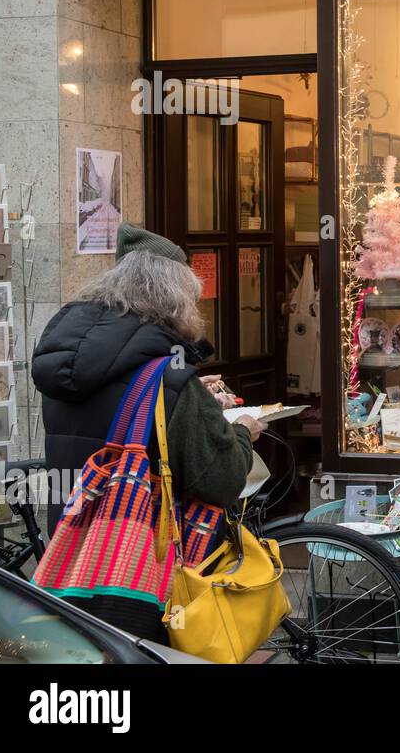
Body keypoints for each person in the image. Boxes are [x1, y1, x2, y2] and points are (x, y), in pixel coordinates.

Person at [32, 222, 263, 640]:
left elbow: (114, 408)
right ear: (176, 297)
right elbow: (223, 478)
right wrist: (244, 430)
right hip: (142, 564)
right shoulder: (168, 376)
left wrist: (188, 397)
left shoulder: (68, 359)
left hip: (75, 544)